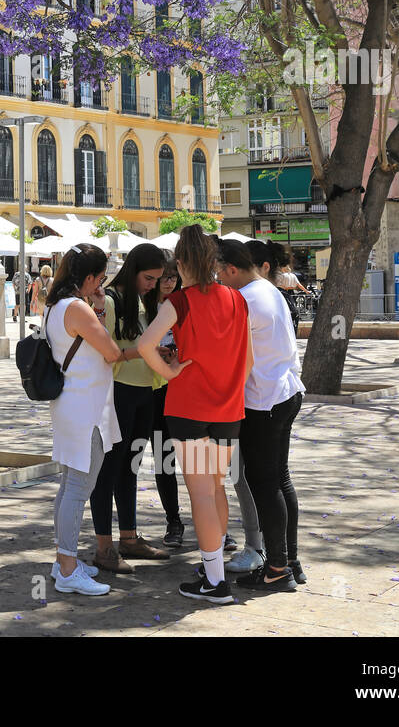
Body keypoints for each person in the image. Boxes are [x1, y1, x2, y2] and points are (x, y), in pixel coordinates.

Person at [137, 225, 251, 605]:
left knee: (201, 494)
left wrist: (170, 372)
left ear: (182, 263)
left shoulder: (180, 302)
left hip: (189, 408)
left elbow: (144, 343)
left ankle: (215, 581)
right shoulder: (237, 300)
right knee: (216, 488)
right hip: (228, 409)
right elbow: (247, 360)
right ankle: (213, 565)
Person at [218, 238, 306, 591]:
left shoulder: (246, 298)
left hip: (263, 401)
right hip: (285, 392)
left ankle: (277, 569)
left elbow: (240, 358)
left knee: (265, 484)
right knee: (280, 480)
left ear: (233, 269)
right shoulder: (269, 291)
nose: (220, 280)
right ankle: (289, 561)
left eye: (220, 273)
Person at [45, 244, 126, 596]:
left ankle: (64, 561)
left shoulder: (55, 305)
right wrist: (97, 306)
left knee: (69, 487)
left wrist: (96, 307)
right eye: (101, 277)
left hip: (71, 406)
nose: (101, 284)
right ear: (91, 278)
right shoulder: (76, 308)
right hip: (85, 409)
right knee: (78, 489)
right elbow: (111, 352)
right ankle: (66, 568)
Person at [89, 243, 172, 574]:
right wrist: (143, 351)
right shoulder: (108, 301)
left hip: (145, 392)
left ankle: (129, 537)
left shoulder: (144, 302)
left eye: (158, 279)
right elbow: (106, 351)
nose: (153, 285)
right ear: (134, 270)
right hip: (118, 394)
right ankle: (103, 547)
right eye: (149, 278)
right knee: (108, 472)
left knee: (131, 468)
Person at [154, 256, 185, 548]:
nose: (169, 281)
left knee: (199, 460)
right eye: (164, 276)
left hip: (184, 389)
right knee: (164, 460)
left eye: (174, 275)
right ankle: (173, 520)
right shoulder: (147, 307)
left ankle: (216, 528)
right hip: (155, 391)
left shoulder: (185, 305)